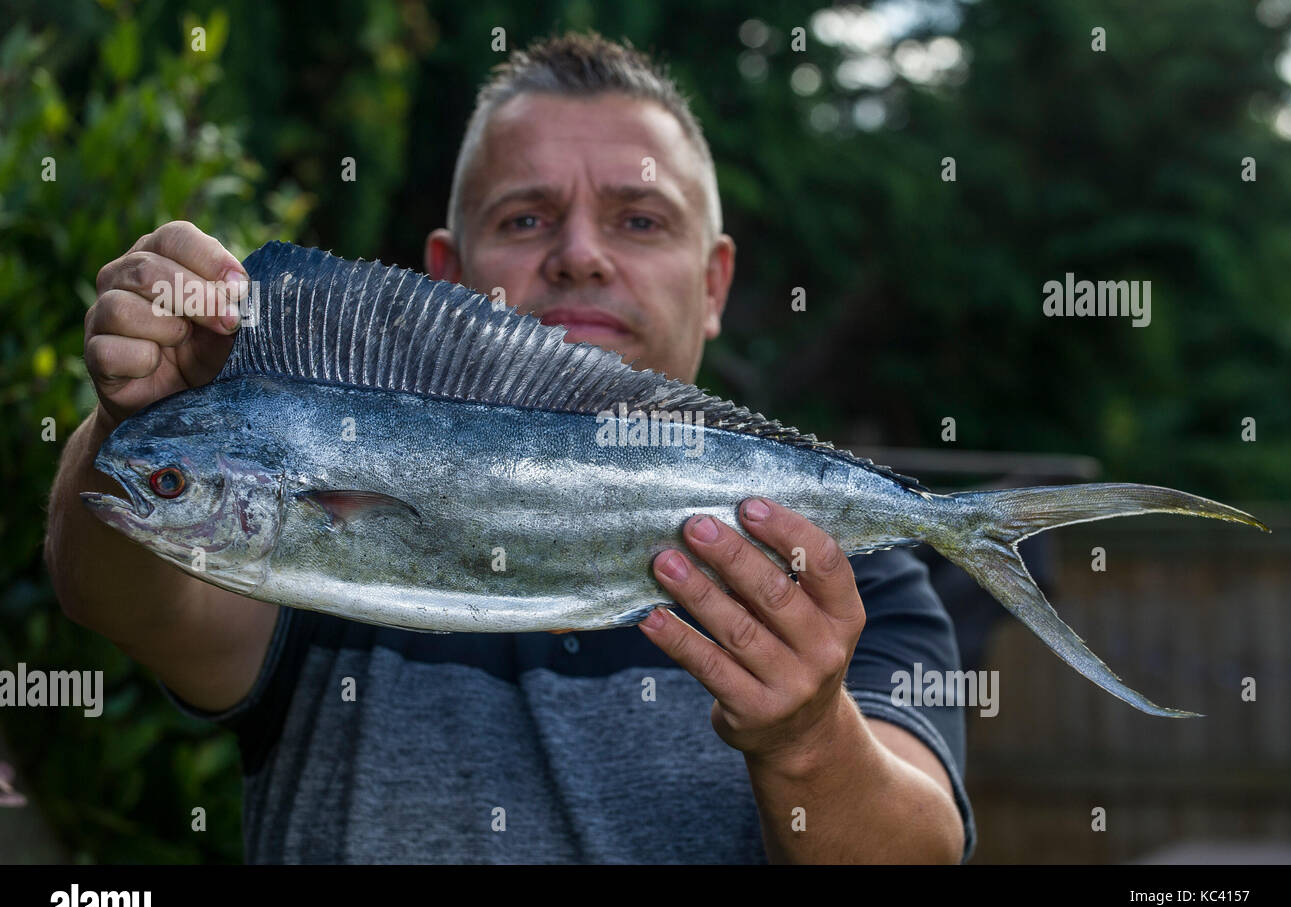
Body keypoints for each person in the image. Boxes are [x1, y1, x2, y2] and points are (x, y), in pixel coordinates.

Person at [46, 31, 975, 863]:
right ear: (447, 272)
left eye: (639, 220)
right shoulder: (313, 520)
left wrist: (809, 739)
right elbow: (115, 595)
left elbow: (920, 853)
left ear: (715, 280)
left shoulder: (851, 566)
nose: (579, 255)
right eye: (525, 218)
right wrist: (136, 414)